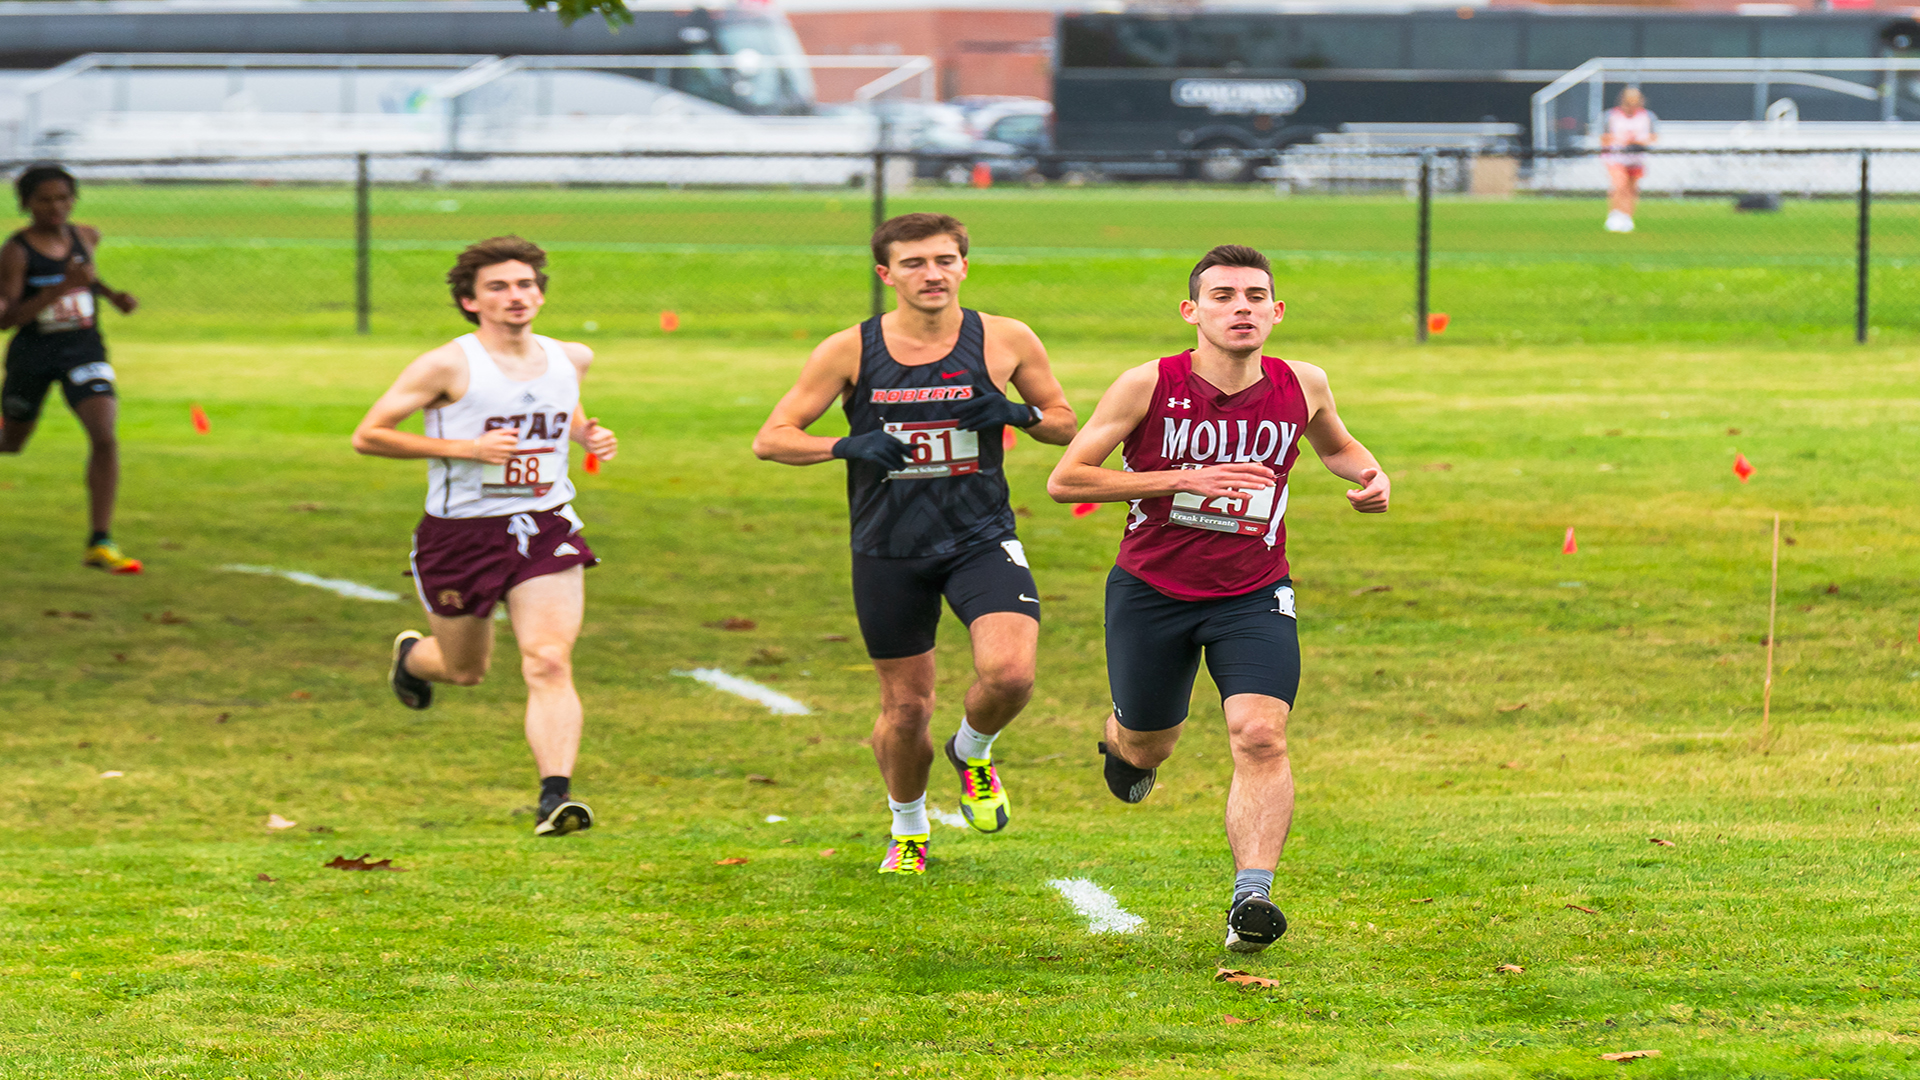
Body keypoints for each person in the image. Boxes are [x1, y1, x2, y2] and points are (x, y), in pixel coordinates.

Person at [1046, 244, 1389, 952]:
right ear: (1192, 311)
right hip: (1152, 591)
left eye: (1255, 296)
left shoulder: (1304, 382)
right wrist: (1181, 480)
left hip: (1254, 592)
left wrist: (1369, 475)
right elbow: (1068, 479)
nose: (1242, 308)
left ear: (1277, 311)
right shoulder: (1147, 385)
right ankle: (1122, 743)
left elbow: (1336, 446)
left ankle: (1251, 899)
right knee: (1150, 743)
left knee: (1261, 734)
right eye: (1225, 296)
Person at [752, 212, 1077, 875]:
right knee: (905, 710)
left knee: (1011, 673)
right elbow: (773, 436)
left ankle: (973, 751)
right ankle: (909, 827)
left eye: (943, 260)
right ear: (886, 274)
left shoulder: (1005, 338)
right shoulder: (849, 350)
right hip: (889, 548)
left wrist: (1021, 413)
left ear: (963, 265)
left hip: (980, 538)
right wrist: (845, 444)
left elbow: (1065, 423)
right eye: (913, 263)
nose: (931, 274)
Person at [351, 236, 619, 838]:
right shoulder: (447, 365)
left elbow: (560, 402)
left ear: (541, 293)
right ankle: (413, 660)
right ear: (471, 302)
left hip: (544, 524)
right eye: (498, 287)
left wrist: (584, 435)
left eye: (525, 284)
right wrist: (466, 448)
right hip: (460, 535)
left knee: (548, 661)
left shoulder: (570, 356)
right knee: (465, 668)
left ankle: (555, 798)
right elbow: (369, 435)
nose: (515, 296)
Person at [1, 164, 142, 573]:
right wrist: (58, 289)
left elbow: (88, 278)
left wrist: (114, 297)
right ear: (26, 203)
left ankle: (100, 540)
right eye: (44, 199)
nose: (55, 207)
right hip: (34, 356)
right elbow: (8, 320)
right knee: (11, 442)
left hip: (83, 350)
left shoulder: (86, 236)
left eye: (63, 198)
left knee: (104, 435)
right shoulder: (15, 252)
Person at [1601, 87, 1657, 233]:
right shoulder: (1611, 116)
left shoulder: (1647, 116)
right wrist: (1621, 142)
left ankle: (1627, 216)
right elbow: (1605, 137)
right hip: (1617, 156)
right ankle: (1615, 215)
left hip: (1636, 157)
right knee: (1620, 185)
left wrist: (1639, 142)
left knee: (1631, 189)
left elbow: (1653, 137)